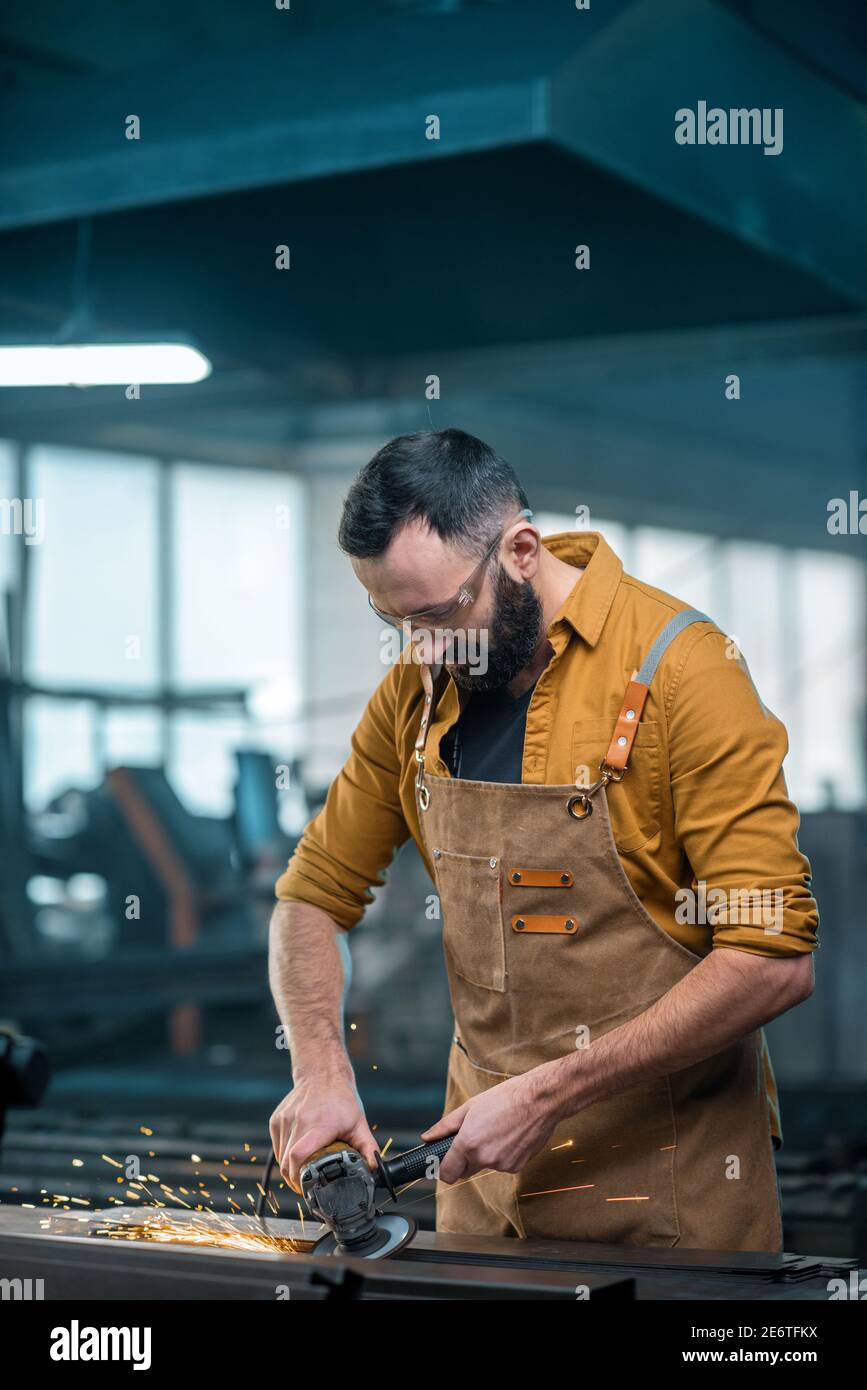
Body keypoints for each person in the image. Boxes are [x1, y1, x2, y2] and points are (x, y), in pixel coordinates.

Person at [268, 428, 817, 1249]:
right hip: (480, 1188)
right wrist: (318, 1070)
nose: (422, 649)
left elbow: (772, 957)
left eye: (440, 614)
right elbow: (311, 895)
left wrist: (545, 1095)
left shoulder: (682, 674)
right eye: (394, 620)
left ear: (520, 549)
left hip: (669, 1190)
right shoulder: (418, 692)